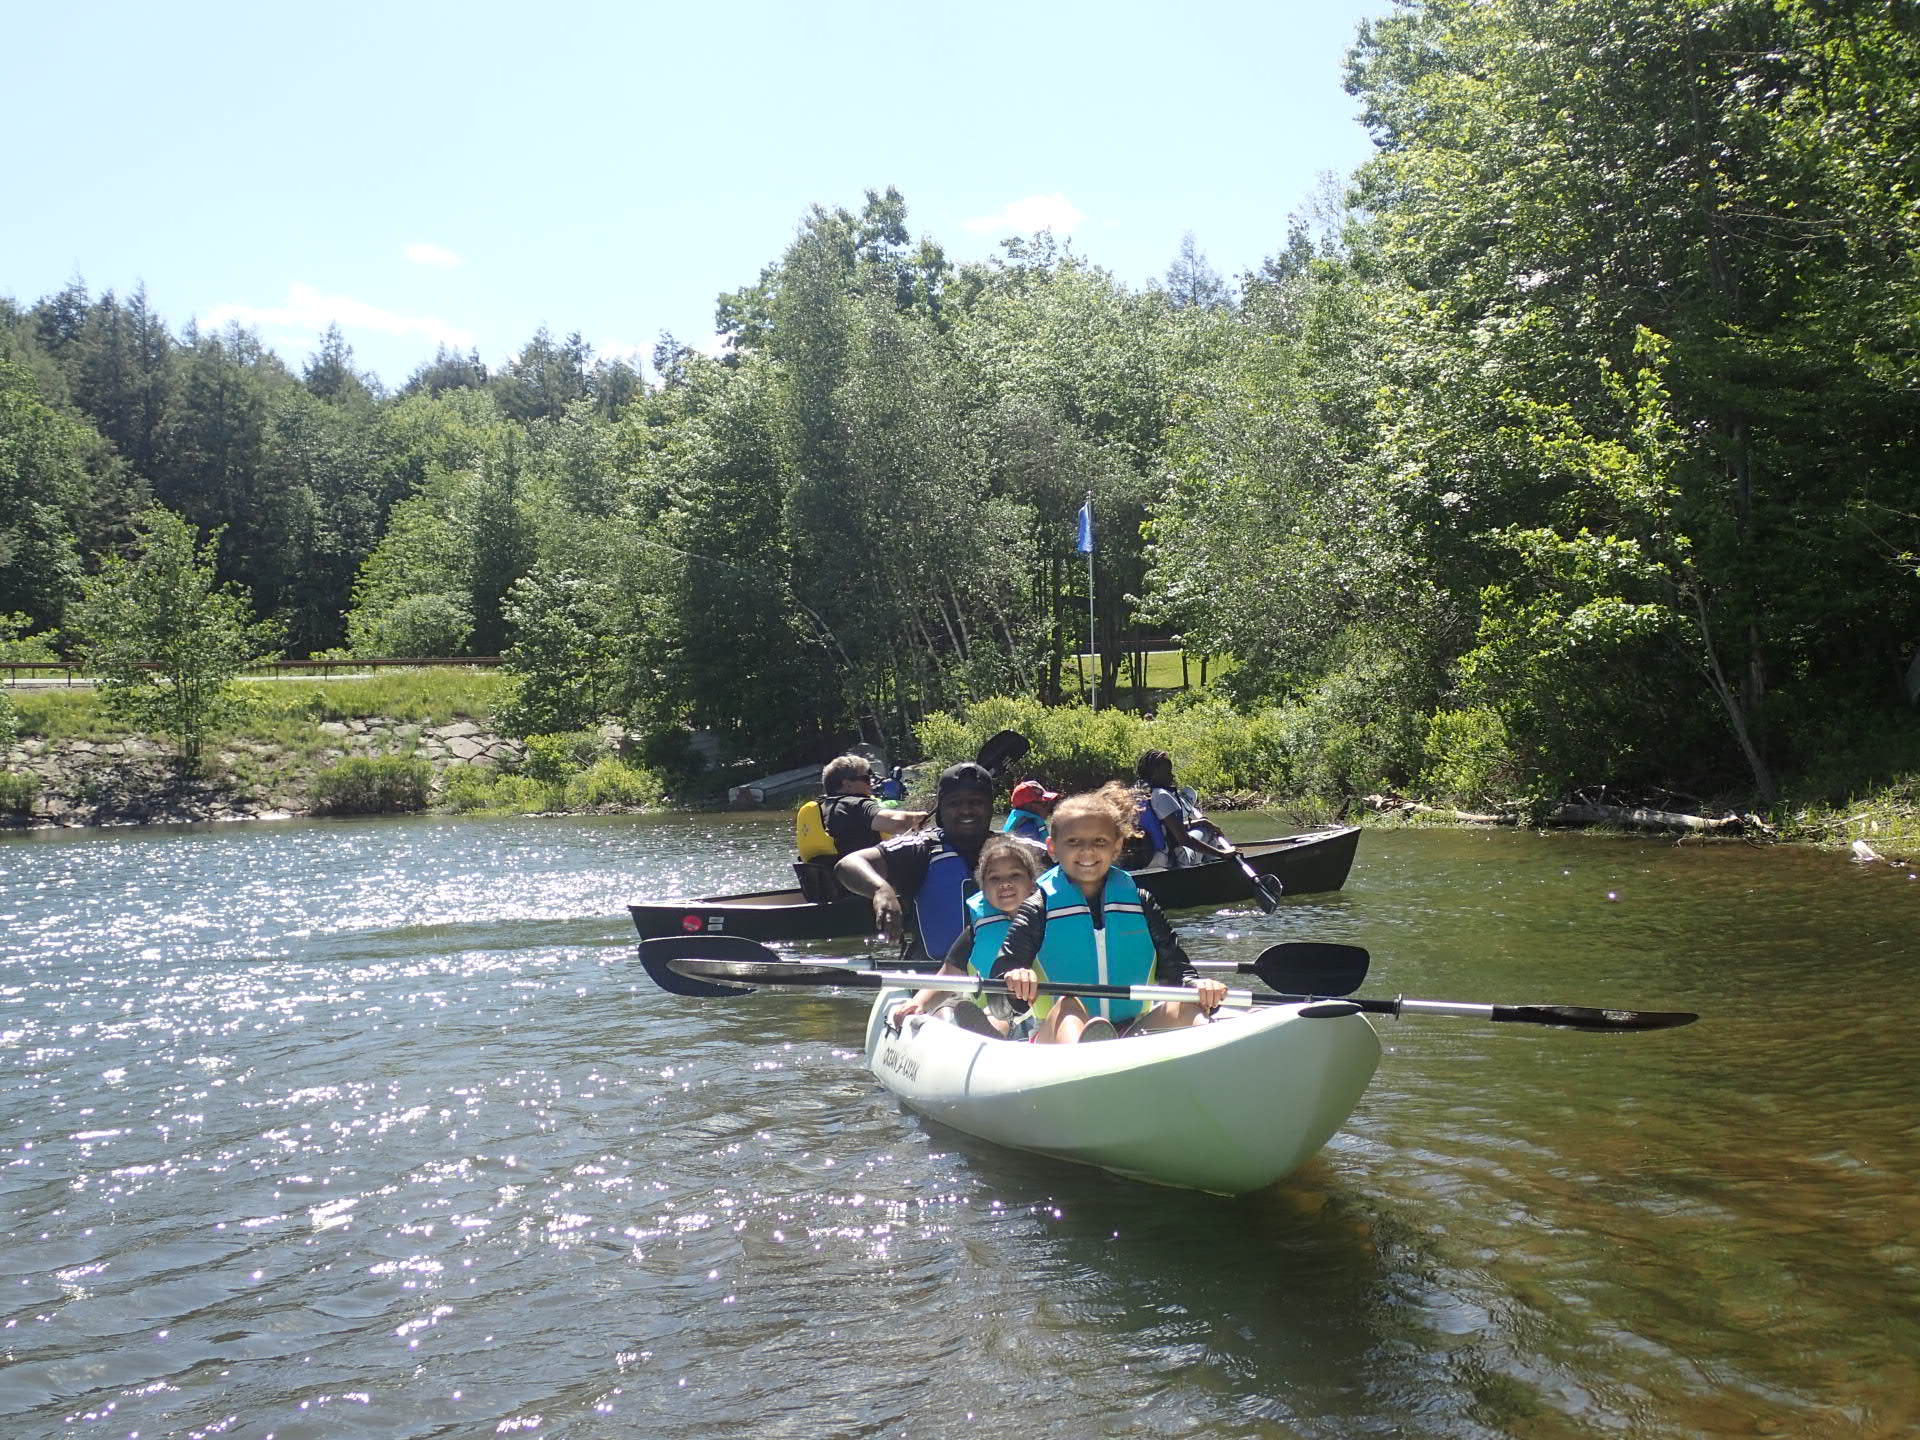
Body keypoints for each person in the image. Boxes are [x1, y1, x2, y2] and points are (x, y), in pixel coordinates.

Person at [993, 781, 1227, 1043]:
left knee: (1189, 1005)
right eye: (1073, 842)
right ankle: (1087, 1053)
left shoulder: (1141, 902)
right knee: (1069, 1006)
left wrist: (1197, 986)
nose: (1087, 851)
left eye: (1099, 841)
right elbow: (999, 1000)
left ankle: (1214, 1049)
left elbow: (1178, 971)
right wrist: (1014, 979)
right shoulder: (1038, 906)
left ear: (1116, 847)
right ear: (1053, 848)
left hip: (1132, 1031)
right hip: (1057, 1039)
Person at [835, 761, 996, 966]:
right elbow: (848, 864)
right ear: (940, 810)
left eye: (976, 802)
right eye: (955, 803)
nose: (966, 810)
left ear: (991, 807)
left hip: (1003, 978)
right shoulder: (920, 849)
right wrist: (881, 890)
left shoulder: (1014, 851)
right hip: (933, 977)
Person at [888, 834, 1047, 1036]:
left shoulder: (1050, 921)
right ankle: (981, 1033)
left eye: (1015, 875)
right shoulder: (978, 928)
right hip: (990, 1008)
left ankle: (993, 1033)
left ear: (1032, 883)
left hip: (1035, 1010)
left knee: (1003, 1017)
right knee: (981, 1014)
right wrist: (918, 1003)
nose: (1005, 883)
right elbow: (949, 974)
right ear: (983, 888)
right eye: (994, 878)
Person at [794, 754, 927, 901]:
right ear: (847, 784)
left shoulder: (823, 808)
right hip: (864, 895)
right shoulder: (857, 804)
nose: (871, 782)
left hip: (831, 896)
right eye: (866, 778)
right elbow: (896, 823)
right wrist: (925, 818)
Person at [1134, 749, 1233, 870]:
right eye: (1168, 771)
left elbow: (1165, 829)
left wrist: (1201, 822)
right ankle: (1216, 873)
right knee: (1208, 832)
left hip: (1146, 861)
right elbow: (1184, 840)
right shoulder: (1161, 795)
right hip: (1170, 861)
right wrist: (1221, 853)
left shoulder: (1137, 795)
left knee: (1204, 826)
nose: (1172, 776)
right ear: (1156, 773)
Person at [1002, 779, 1059, 843]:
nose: (1048, 807)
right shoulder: (1030, 829)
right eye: (1044, 803)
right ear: (1029, 806)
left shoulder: (1021, 822)